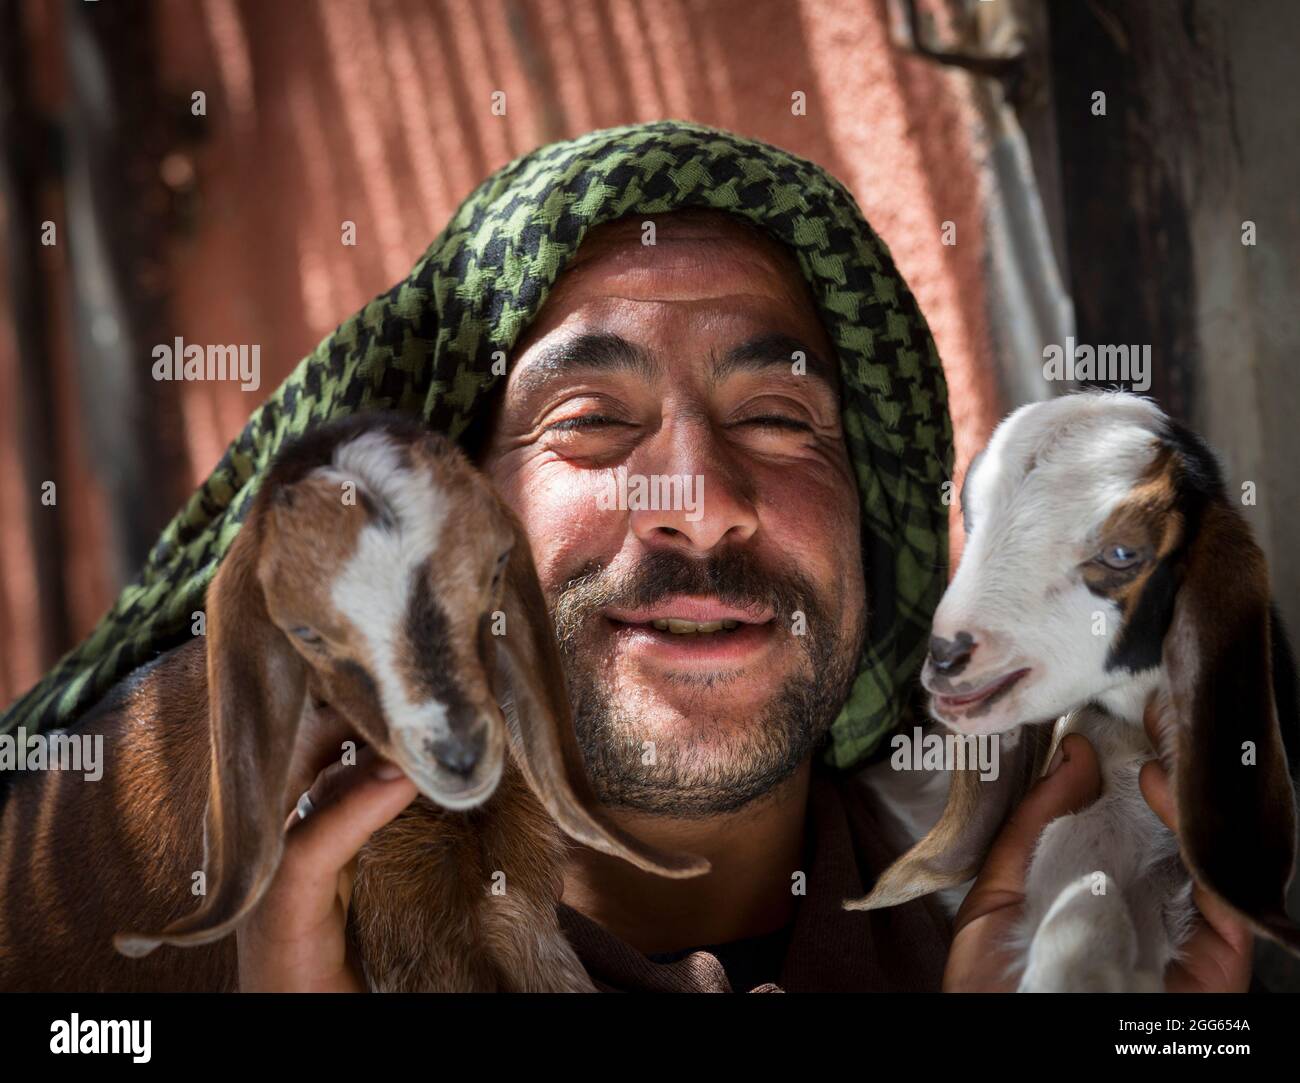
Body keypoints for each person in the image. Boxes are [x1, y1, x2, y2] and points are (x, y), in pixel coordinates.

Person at [234, 209, 1251, 994]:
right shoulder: (281, 944)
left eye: (775, 417)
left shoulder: (1090, 900)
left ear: (873, 524)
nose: (702, 505)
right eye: (590, 421)